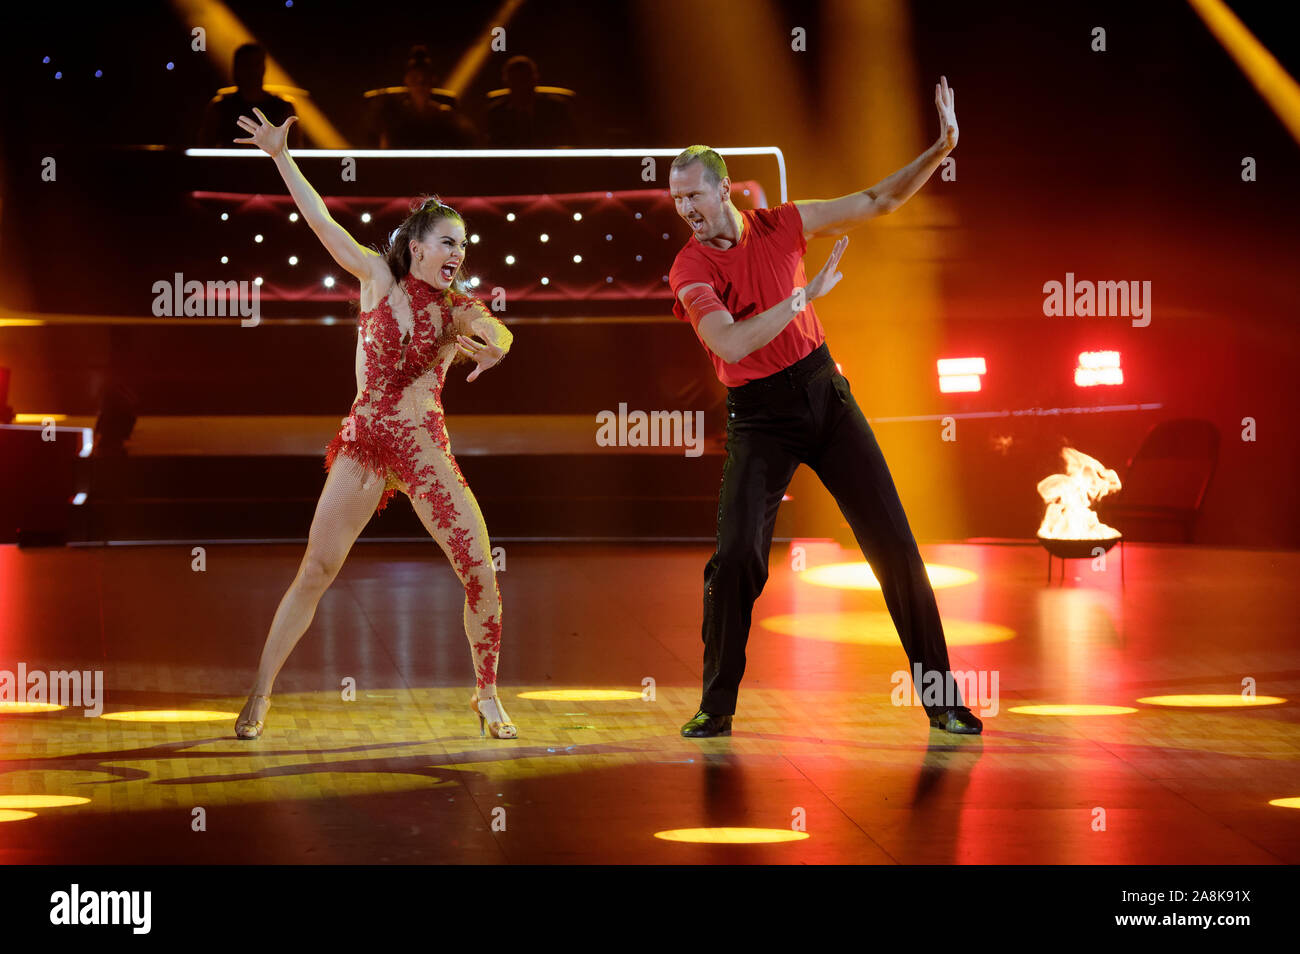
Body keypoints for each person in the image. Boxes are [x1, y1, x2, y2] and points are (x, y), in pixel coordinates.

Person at [670, 77, 982, 738]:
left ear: (723, 189)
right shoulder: (689, 267)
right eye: (677, 200)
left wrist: (942, 146)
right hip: (758, 416)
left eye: (694, 195)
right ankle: (716, 705)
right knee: (735, 560)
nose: (687, 209)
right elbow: (727, 340)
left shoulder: (784, 223)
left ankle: (943, 700)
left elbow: (877, 200)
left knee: (894, 546)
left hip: (824, 396)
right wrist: (798, 299)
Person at [229, 107, 517, 741]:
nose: (458, 253)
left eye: (464, 246)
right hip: (363, 448)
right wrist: (281, 156)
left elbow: (495, 329)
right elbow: (321, 223)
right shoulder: (377, 279)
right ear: (417, 246)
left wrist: (497, 343)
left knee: (480, 568)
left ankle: (487, 693)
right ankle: (259, 691)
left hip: (423, 453)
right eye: (448, 242)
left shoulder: (455, 308)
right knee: (316, 570)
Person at [197, 43, 301, 149]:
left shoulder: (284, 107)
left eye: (256, 64)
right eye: (246, 64)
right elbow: (205, 146)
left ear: (263, 68)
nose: (252, 70)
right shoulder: (220, 107)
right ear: (236, 69)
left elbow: (294, 149)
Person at [374, 45, 480, 149]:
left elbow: (464, 148)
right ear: (406, 80)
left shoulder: (446, 117)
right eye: (415, 78)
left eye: (425, 78)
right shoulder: (394, 119)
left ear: (433, 80)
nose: (420, 84)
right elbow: (386, 156)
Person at [485, 55, 578, 147]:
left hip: (549, 161)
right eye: (516, 80)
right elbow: (493, 147)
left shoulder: (555, 109)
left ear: (535, 80)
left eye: (525, 79)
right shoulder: (496, 113)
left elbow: (572, 142)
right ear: (506, 82)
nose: (521, 86)